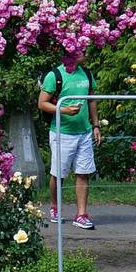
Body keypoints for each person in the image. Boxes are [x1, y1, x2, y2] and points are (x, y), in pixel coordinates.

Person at [38, 61, 102, 228]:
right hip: (62, 132)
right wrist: (64, 110)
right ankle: (54, 207)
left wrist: (96, 125)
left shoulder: (87, 73)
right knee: (59, 174)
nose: (86, 53)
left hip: (85, 131)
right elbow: (42, 103)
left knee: (83, 172)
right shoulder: (55, 75)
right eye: (82, 50)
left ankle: (81, 215)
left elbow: (92, 99)